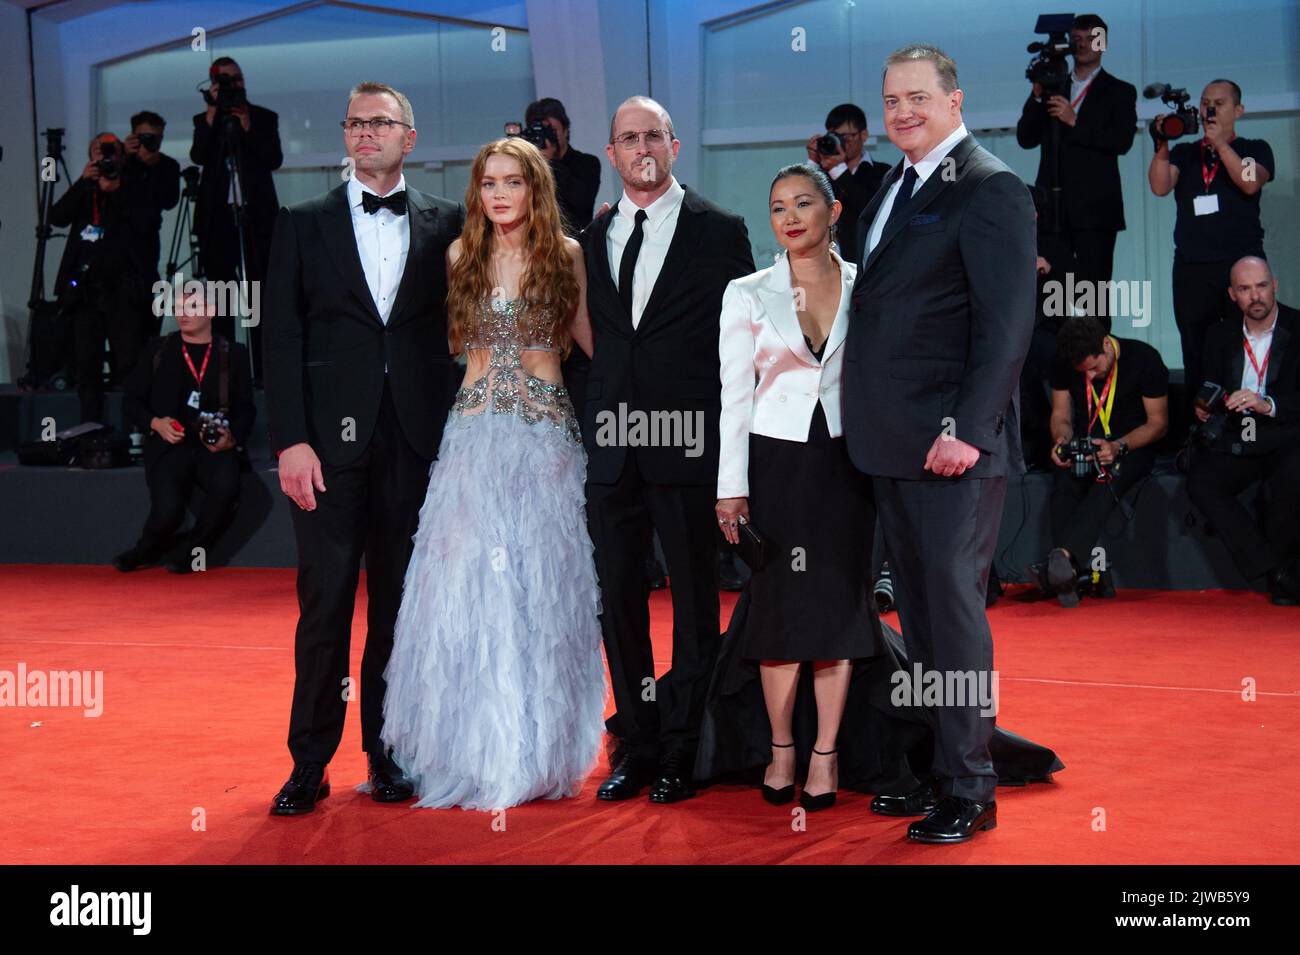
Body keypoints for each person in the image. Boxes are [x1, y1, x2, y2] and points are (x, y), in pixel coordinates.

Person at [700, 163, 1062, 813]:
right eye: (777, 205)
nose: (789, 216)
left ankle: (826, 754)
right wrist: (731, 489)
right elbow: (733, 397)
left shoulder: (871, 287)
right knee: (779, 617)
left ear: (833, 211)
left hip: (850, 466)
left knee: (841, 611)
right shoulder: (746, 293)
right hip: (777, 466)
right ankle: (782, 747)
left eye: (803, 202)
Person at [842, 45, 1037, 843]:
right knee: (919, 617)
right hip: (890, 445)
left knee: (952, 618)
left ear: (956, 101)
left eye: (918, 98)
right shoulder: (893, 183)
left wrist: (967, 429)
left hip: (952, 449)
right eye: (891, 101)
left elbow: (1006, 327)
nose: (901, 113)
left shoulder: (990, 187)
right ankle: (937, 766)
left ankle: (971, 783)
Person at [380, 137, 606, 811]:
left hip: (543, 441)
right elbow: (453, 345)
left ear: (535, 187)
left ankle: (537, 751)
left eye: (513, 181)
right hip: (475, 439)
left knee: (540, 591)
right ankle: (474, 752)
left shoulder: (566, 254)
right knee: (467, 591)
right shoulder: (459, 255)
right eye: (488, 183)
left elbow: (592, 340)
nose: (500, 194)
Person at [263, 82, 464, 816]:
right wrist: (289, 439)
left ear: (409, 138)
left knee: (397, 611)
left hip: (415, 442)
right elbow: (278, 341)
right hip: (324, 449)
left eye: (380, 123)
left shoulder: (449, 222)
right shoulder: (302, 223)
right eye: (355, 123)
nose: (365, 133)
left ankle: (389, 753)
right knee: (324, 608)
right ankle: (307, 763)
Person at [582, 95, 755, 804]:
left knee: (693, 604)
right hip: (612, 452)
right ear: (613, 152)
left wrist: (734, 459)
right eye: (629, 137)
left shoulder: (722, 230)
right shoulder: (590, 239)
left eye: (654, 134)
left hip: (689, 448)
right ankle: (638, 741)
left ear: (675, 146)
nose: (642, 146)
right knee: (618, 604)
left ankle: (686, 746)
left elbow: (742, 349)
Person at [1148, 78, 1274, 407]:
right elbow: (1160, 186)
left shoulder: (1253, 148)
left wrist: (1221, 145)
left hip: (1240, 267)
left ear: (1239, 110)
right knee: (1195, 347)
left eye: (1219, 102)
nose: (1210, 109)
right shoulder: (1186, 153)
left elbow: (1249, 183)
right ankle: (1199, 429)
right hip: (1192, 267)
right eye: (1205, 102)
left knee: (1241, 343)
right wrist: (1160, 144)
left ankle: (1243, 419)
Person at [113, 286, 254, 574]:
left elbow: (246, 408)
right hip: (168, 445)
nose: (182, 313)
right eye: (178, 307)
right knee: (167, 511)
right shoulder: (158, 350)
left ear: (211, 311)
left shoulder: (233, 353)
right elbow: (131, 401)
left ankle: (190, 553)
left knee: (227, 490)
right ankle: (146, 550)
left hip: (212, 446)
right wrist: (156, 423)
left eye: (191, 306)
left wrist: (232, 438)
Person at [1186, 256, 1300, 605]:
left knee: (1291, 482)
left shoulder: (1298, 328)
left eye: (1261, 286)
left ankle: (1285, 578)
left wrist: (1268, 404)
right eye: (1245, 289)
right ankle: (1272, 568)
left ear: (1275, 285)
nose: (1256, 296)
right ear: (1233, 294)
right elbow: (1210, 386)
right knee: (1201, 483)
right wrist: (1207, 405)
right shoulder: (1219, 334)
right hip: (1239, 434)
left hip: (1286, 434)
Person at [1033, 317, 1169, 605]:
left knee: (1106, 483)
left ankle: (1061, 560)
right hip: (1084, 442)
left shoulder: (1144, 358)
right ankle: (1072, 577)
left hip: (1132, 444)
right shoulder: (1065, 362)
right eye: (1085, 371)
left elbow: (1158, 424)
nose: (1091, 375)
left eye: (1095, 367)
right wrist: (1061, 441)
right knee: (1063, 485)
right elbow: (1061, 416)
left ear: (1107, 345)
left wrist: (1118, 446)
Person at [1016, 12, 1137, 308]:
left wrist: (1074, 120)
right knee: (1049, 289)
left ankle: (1098, 351)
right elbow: (1025, 138)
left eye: (1090, 39)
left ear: (1103, 44)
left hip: (1095, 210)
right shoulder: (1054, 86)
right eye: (1077, 40)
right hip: (1052, 207)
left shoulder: (1120, 91)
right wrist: (1036, 97)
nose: (1083, 45)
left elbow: (1121, 141)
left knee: (1094, 293)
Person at [50, 132, 166, 423]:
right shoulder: (85, 188)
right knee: (86, 364)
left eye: (111, 151)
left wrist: (117, 189)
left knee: (128, 362)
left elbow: (147, 222)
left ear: (121, 156)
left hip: (123, 288)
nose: (105, 158)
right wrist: (82, 182)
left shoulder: (134, 185)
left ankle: (134, 428)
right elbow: (57, 217)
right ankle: (90, 427)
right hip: (85, 290)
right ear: (91, 156)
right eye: (98, 152)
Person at [191, 57, 284, 377]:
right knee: (220, 292)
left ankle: (263, 368)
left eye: (236, 79)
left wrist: (247, 128)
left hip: (256, 218)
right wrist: (212, 114)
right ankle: (225, 371)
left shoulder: (262, 117)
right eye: (224, 80)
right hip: (216, 219)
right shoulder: (206, 119)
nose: (232, 85)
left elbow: (273, 158)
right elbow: (199, 155)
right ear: (212, 83)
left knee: (259, 290)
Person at [804, 103, 891, 262]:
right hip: (826, 267)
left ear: (863, 135)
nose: (841, 143)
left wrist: (838, 170)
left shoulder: (883, 173)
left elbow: (872, 211)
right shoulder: (822, 174)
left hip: (868, 265)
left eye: (846, 137)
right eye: (835, 137)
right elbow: (802, 203)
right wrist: (813, 162)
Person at [122, 110, 181, 338]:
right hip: (115, 246)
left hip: (146, 246)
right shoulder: (121, 162)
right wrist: (128, 161)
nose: (149, 142)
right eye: (143, 136)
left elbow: (169, 201)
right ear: (133, 136)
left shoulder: (167, 166)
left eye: (154, 138)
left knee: (143, 317)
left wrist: (152, 168)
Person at [525, 97, 602, 235]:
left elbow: (581, 202)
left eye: (551, 130)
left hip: (577, 245)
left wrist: (548, 162)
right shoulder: (527, 167)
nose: (547, 137)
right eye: (541, 132)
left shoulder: (588, 163)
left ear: (566, 130)